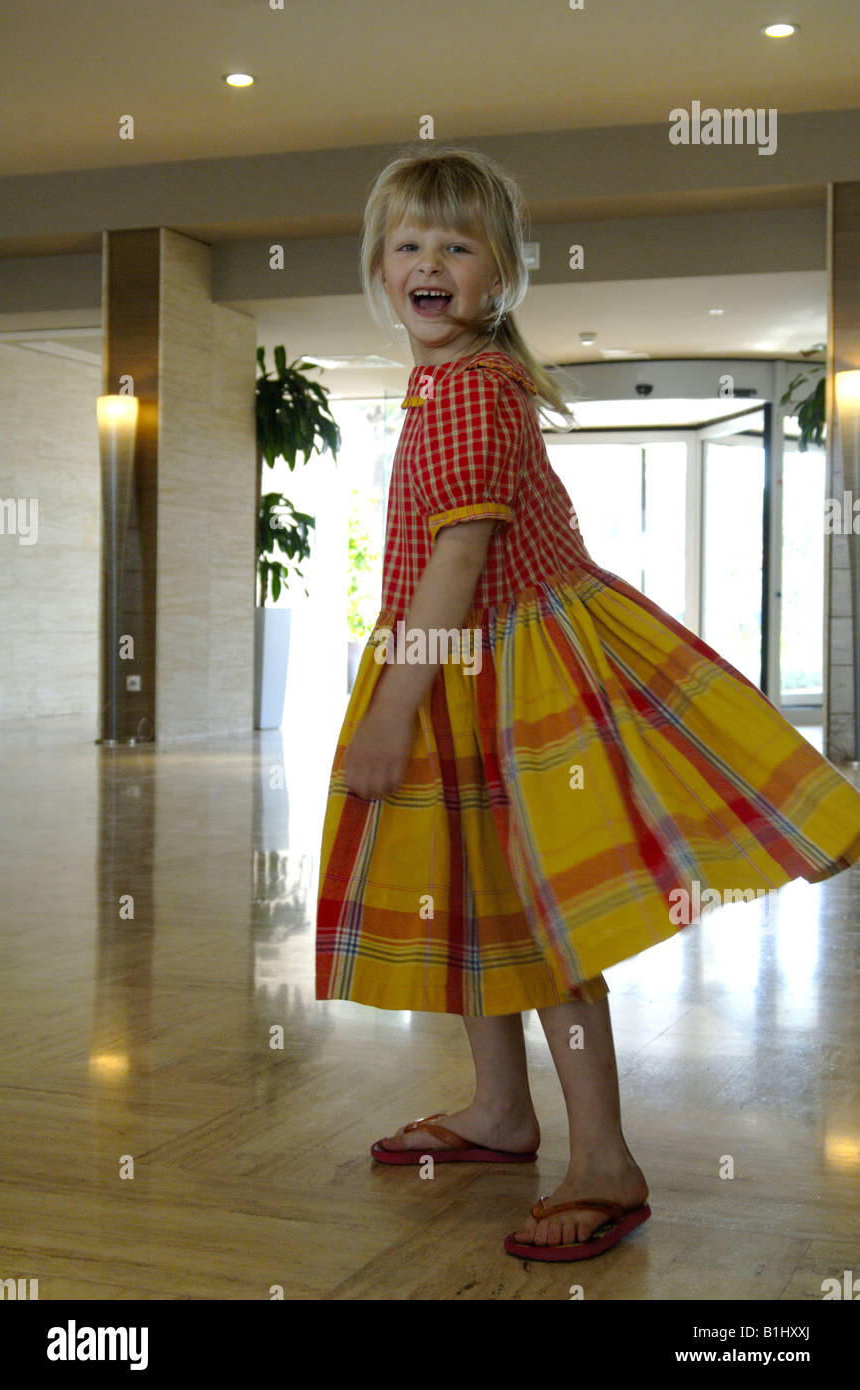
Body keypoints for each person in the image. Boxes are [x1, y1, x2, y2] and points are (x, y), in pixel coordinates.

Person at [316, 145, 860, 1261]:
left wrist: (387, 708)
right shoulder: (443, 381)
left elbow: (460, 560)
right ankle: (500, 1111)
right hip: (464, 676)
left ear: (502, 276)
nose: (431, 262)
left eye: (458, 245)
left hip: (501, 679)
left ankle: (602, 1156)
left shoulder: (469, 390)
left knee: (536, 919)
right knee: (477, 901)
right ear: (379, 266)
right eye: (409, 243)